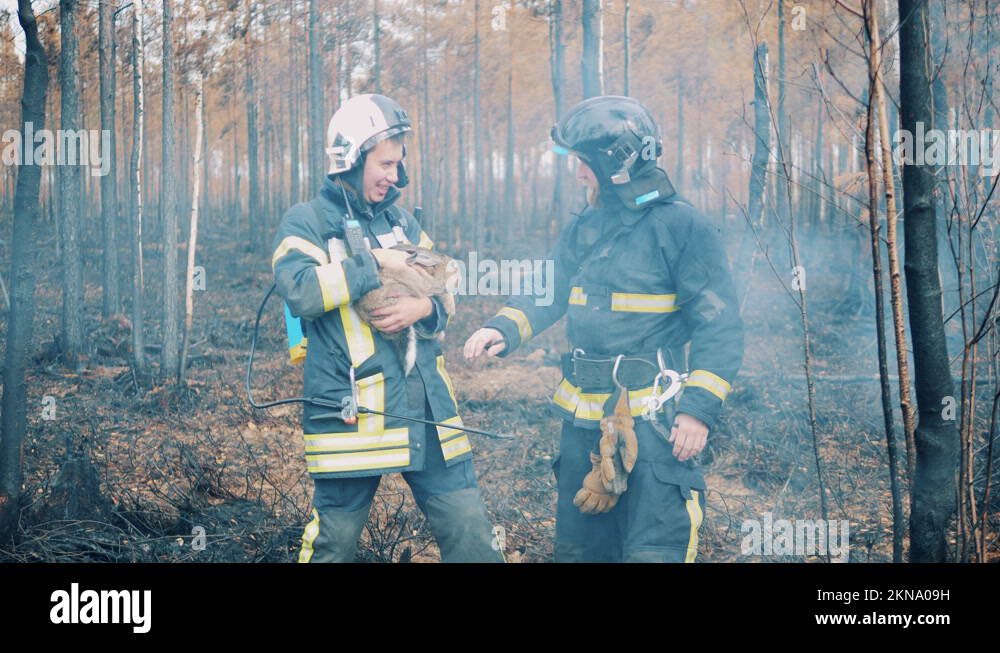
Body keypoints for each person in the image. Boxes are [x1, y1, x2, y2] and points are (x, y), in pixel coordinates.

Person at [464, 95, 744, 562]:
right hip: (584, 423)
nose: (576, 173)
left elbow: (721, 327)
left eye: (582, 163)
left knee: (655, 548)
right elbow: (549, 290)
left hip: (655, 423)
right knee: (582, 551)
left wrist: (697, 410)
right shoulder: (587, 224)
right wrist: (504, 327)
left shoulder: (683, 227)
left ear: (616, 165)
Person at [272, 93, 502, 563]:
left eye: (399, 165)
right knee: (333, 545)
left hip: (426, 408)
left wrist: (423, 308)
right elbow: (299, 293)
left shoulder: (404, 222)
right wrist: (374, 261)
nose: (395, 176)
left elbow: (447, 290)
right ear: (351, 157)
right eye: (386, 163)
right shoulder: (307, 223)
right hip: (352, 411)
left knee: (471, 535)